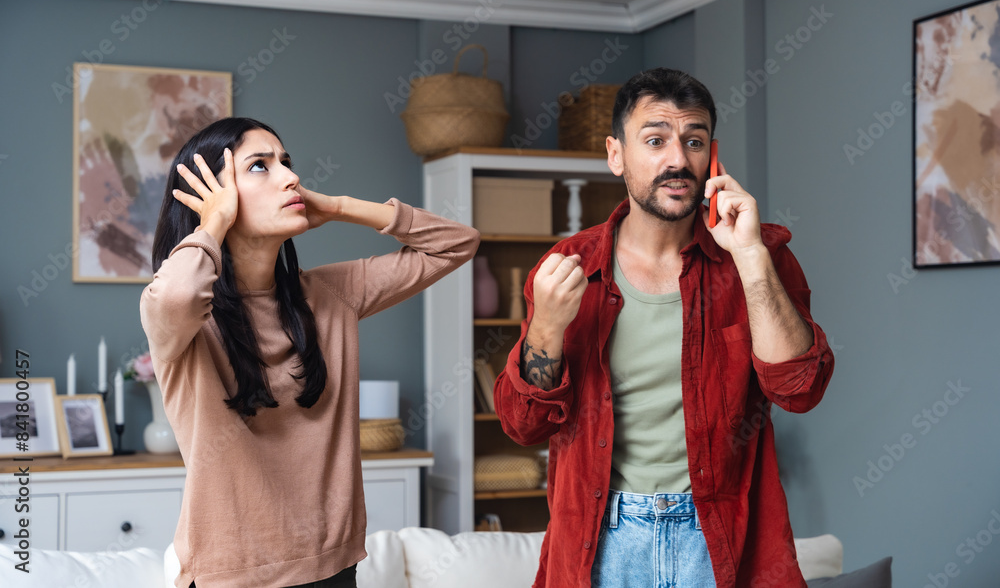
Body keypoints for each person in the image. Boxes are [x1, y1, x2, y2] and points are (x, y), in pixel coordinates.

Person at [494, 68, 834, 588]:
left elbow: (800, 389)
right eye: (655, 140)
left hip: (719, 538)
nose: (677, 159)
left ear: (711, 157)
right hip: (601, 540)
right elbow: (524, 425)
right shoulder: (570, 265)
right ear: (616, 155)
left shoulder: (758, 255)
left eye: (693, 141)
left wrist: (749, 257)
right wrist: (547, 326)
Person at [140, 117, 479, 588]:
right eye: (260, 166)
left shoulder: (331, 294)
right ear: (213, 194)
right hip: (231, 575)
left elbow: (457, 244)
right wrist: (213, 223)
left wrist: (340, 207)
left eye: (286, 162)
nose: (290, 176)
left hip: (333, 568)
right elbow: (177, 295)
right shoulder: (185, 318)